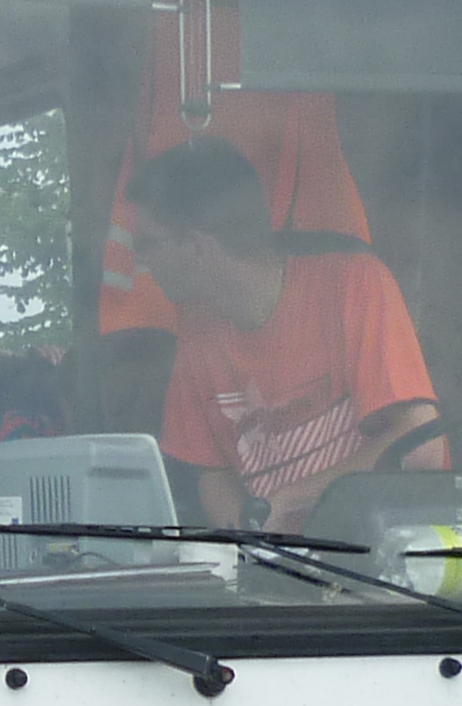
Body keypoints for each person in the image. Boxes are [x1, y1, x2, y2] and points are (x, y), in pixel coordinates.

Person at [117, 134, 438, 529]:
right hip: (284, 576)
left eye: (147, 245)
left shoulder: (352, 284)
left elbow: (422, 445)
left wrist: (284, 502)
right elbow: (211, 474)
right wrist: (258, 545)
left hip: (385, 560)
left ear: (195, 247)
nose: (142, 261)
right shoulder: (197, 330)